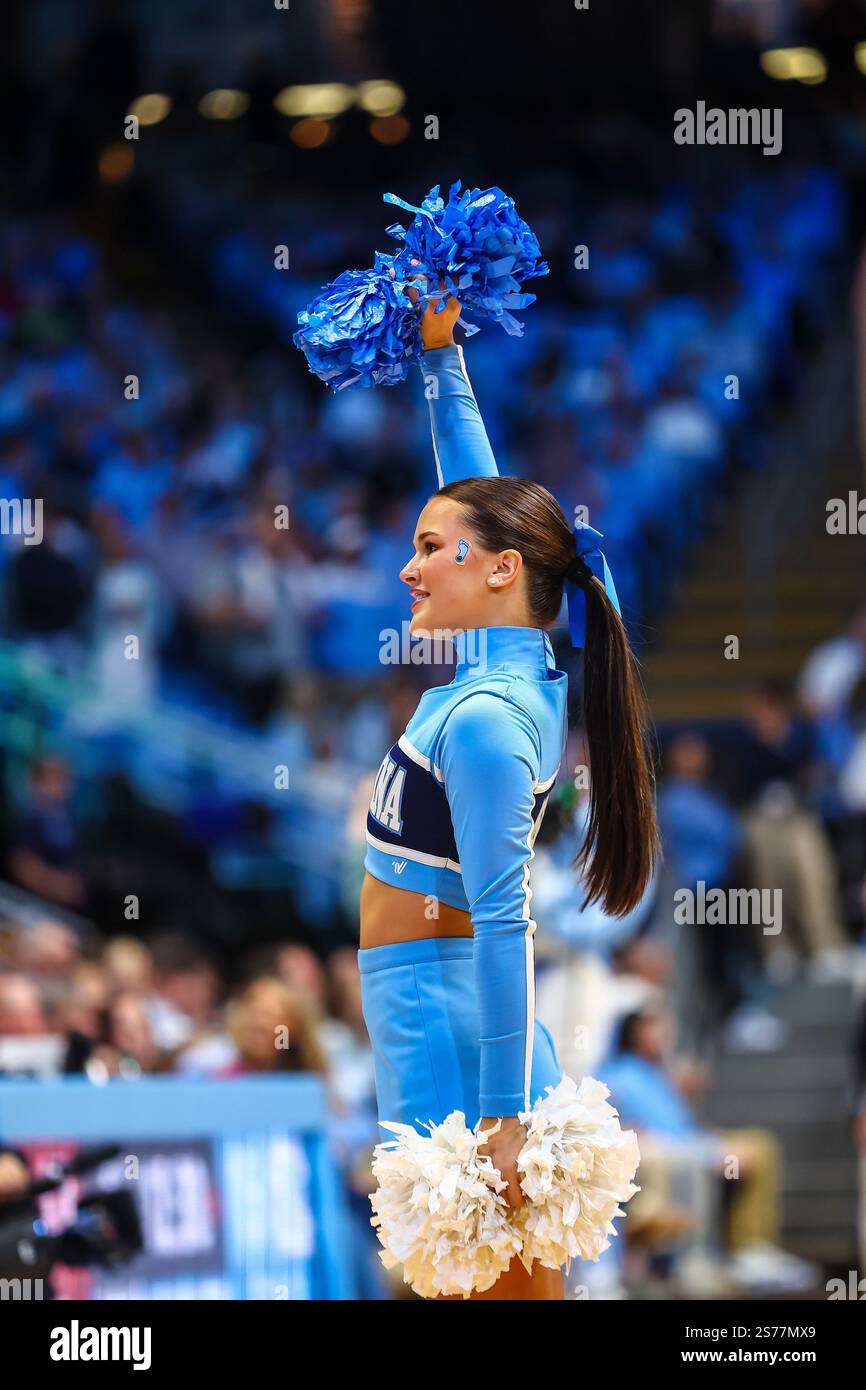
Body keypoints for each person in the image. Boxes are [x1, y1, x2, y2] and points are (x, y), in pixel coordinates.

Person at [357, 285, 659, 1300]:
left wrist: (499, 1115)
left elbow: (502, 919)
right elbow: (476, 487)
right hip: (421, 1002)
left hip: (449, 1017)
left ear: (498, 571)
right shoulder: (506, 659)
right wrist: (439, 357)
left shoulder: (489, 715)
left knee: (490, 1291)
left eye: (427, 549)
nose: (409, 569)